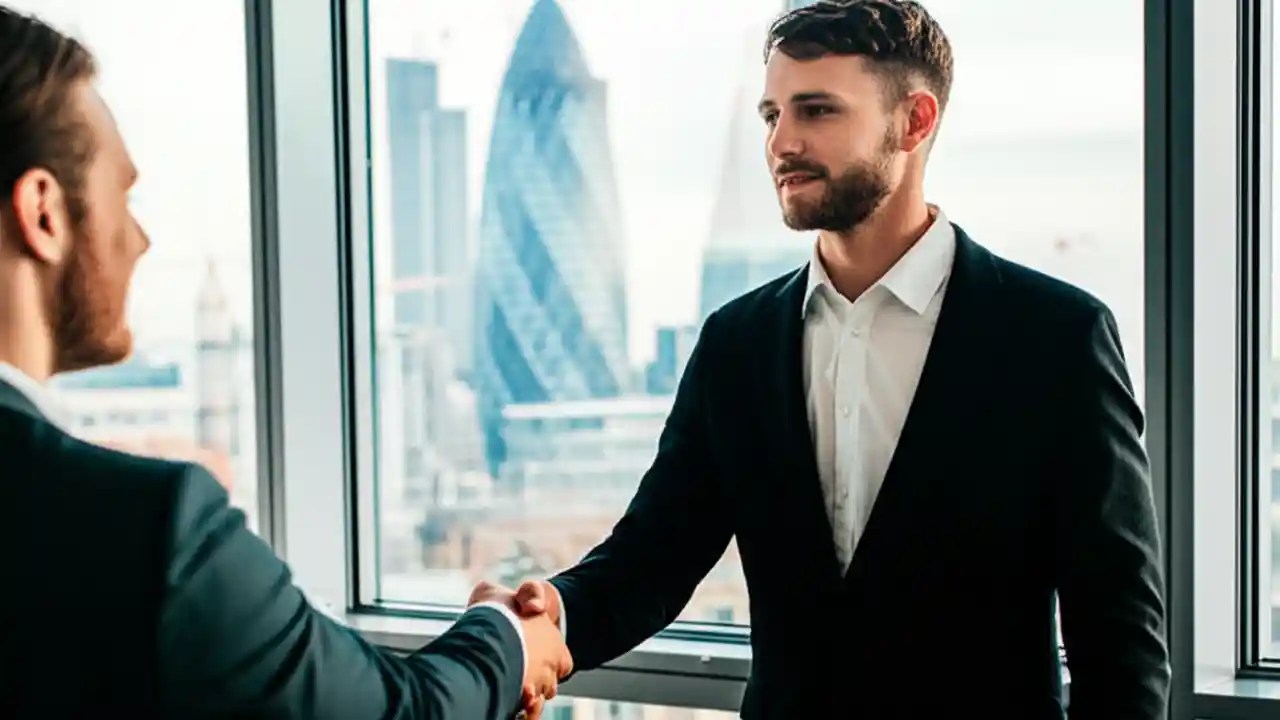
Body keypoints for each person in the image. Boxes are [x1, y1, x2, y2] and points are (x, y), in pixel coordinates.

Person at [472, 1, 1171, 717]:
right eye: (772, 115)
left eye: (816, 111)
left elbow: (1120, 642)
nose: (783, 143)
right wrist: (549, 616)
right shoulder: (736, 344)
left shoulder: (1055, 339)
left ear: (915, 121)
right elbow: (652, 558)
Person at [0, 6, 570, 718]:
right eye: (125, 196)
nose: (142, 240)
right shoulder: (145, 527)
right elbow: (400, 713)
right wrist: (505, 635)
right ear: (44, 213)